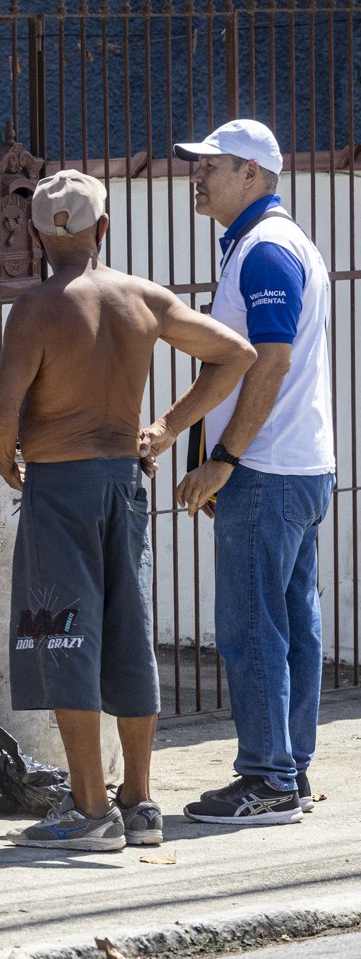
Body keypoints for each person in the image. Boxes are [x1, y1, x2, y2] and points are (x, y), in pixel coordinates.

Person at [0, 170, 256, 851]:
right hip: (121, 483)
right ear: (103, 229)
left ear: (42, 236)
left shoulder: (36, 307)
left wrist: (8, 467)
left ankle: (86, 809)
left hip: (60, 484)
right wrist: (164, 428)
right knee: (128, 634)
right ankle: (137, 802)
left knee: (59, 633)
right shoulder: (142, 297)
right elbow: (236, 354)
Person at [171, 119, 336, 825]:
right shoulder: (271, 243)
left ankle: (267, 779)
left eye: (211, 165)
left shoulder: (264, 251)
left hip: (265, 469)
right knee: (291, 625)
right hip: (298, 465)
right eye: (197, 164)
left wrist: (223, 458)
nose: (196, 176)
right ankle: (287, 772)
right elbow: (239, 366)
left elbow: (266, 363)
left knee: (251, 628)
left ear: (251, 174)